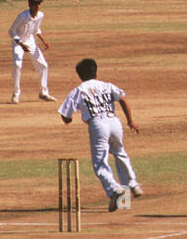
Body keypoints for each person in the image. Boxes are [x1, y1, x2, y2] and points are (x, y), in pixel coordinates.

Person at [58, 58, 143, 212]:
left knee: (100, 163)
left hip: (98, 124)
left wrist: (69, 119)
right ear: (96, 72)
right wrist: (130, 121)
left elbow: (65, 115)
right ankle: (132, 186)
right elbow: (122, 99)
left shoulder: (79, 90)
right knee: (120, 154)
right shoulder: (106, 85)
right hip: (114, 121)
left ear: (80, 75)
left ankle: (114, 190)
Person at [9, 0, 53, 104]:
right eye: (35, 4)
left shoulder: (40, 15)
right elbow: (11, 31)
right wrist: (20, 43)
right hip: (19, 42)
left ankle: (44, 93)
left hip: (30, 41)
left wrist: (44, 41)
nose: (38, 6)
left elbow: (36, 29)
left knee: (43, 65)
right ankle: (16, 94)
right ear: (30, 5)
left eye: (39, 3)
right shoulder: (22, 16)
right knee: (17, 65)